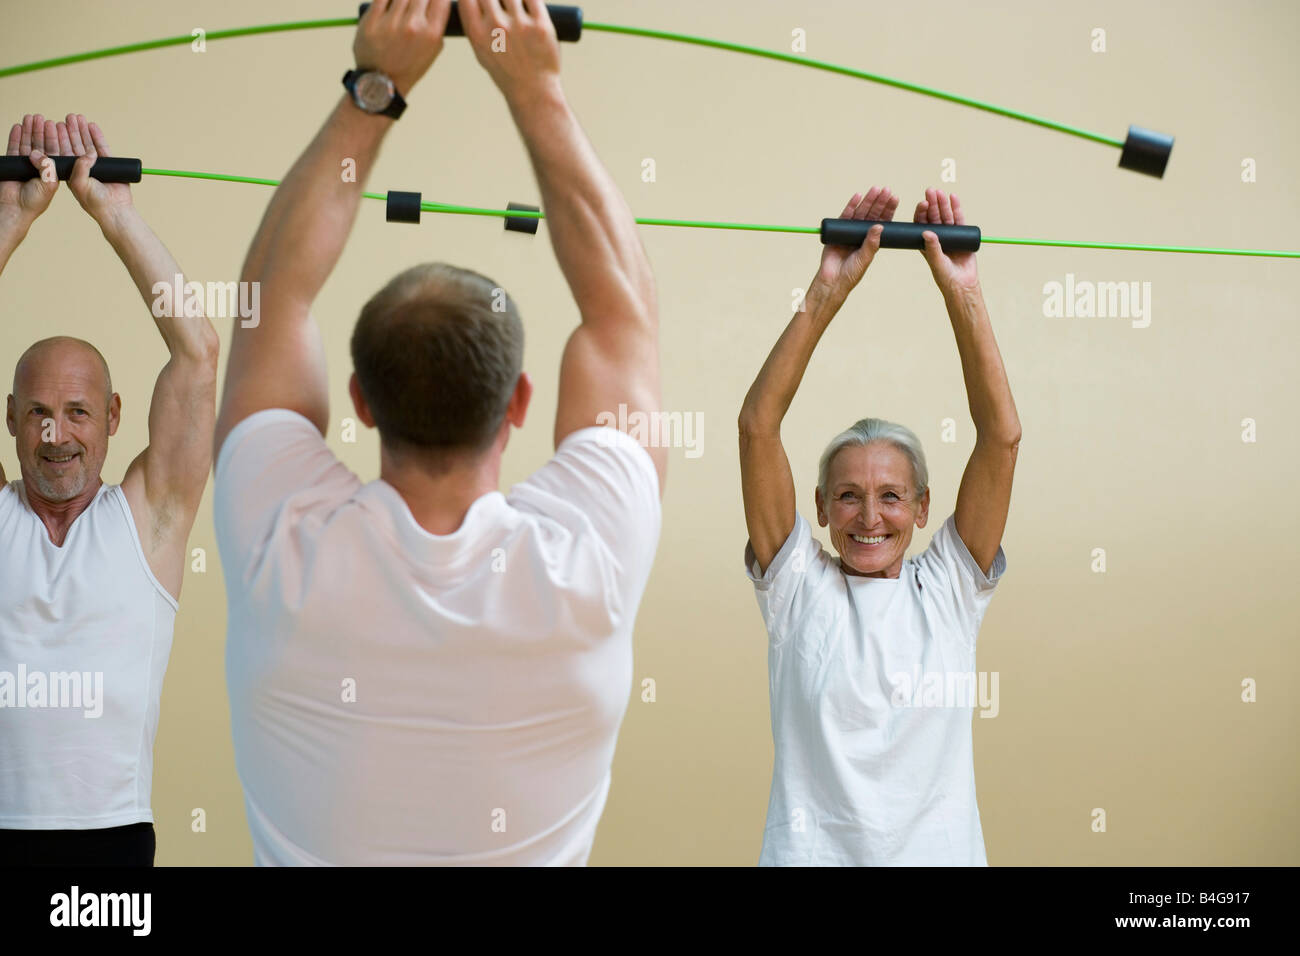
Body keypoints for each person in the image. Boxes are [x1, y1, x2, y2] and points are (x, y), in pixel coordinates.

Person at [212, 0, 664, 865]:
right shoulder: (587, 565)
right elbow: (623, 315)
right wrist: (535, 87)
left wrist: (373, 90)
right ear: (521, 401)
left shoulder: (280, 543)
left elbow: (275, 293)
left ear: (361, 402)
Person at [738, 186, 1021, 865]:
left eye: (892, 496)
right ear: (820, 506)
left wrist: (963, 292)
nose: (869, 517)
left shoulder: (948, 590)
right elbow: (757, 426)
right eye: (848, 496)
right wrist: (828, 288)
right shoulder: (797, 588)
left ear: (924, 508)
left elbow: (1001, 437)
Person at [0, 113, 219, 865]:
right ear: (11, 421)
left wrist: (116, 216)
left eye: (77, 413)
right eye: (37, 414)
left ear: (114, 417)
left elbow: (197, 353)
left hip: (111, 845)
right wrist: (12, 218)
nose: (56, 436)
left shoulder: (148, 523)